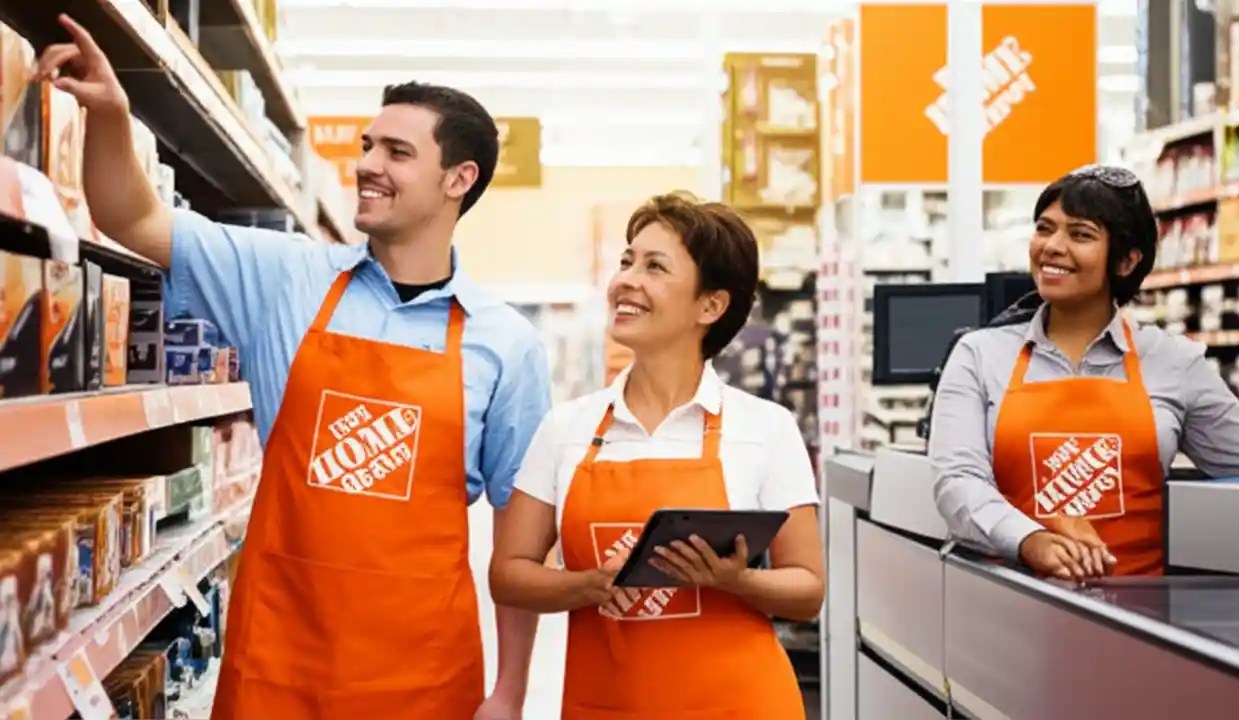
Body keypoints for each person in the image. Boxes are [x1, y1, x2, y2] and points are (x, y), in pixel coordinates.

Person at [36, 14, 548, 719]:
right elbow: (136, 220)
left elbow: (522, 537)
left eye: (397, 152)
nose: (367, 165)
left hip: (422, 674)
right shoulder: (285, 278)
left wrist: (510, 691)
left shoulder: (506, 344)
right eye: (367, 146)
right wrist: (113, 116)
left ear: (459, 179)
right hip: (279, 661)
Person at [489, 192, 825, 719]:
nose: (626, 280)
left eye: (654, 267)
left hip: (739, 705)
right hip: (608, 705)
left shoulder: (764, 428)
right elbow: (508, 574)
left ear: (710, 306)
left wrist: (735, 580)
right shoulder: (566, 429)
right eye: (627, 261)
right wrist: (587, 585)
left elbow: (807, 588)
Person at [929, 164, 1239, 581]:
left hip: (1140, 609)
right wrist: (1029, 538)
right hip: (1008, 602)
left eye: (1080, 235)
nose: (1052, 247)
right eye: (1044, 229)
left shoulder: (1173, 362)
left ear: (1127, 261)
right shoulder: (980, 355)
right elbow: (957, 481)